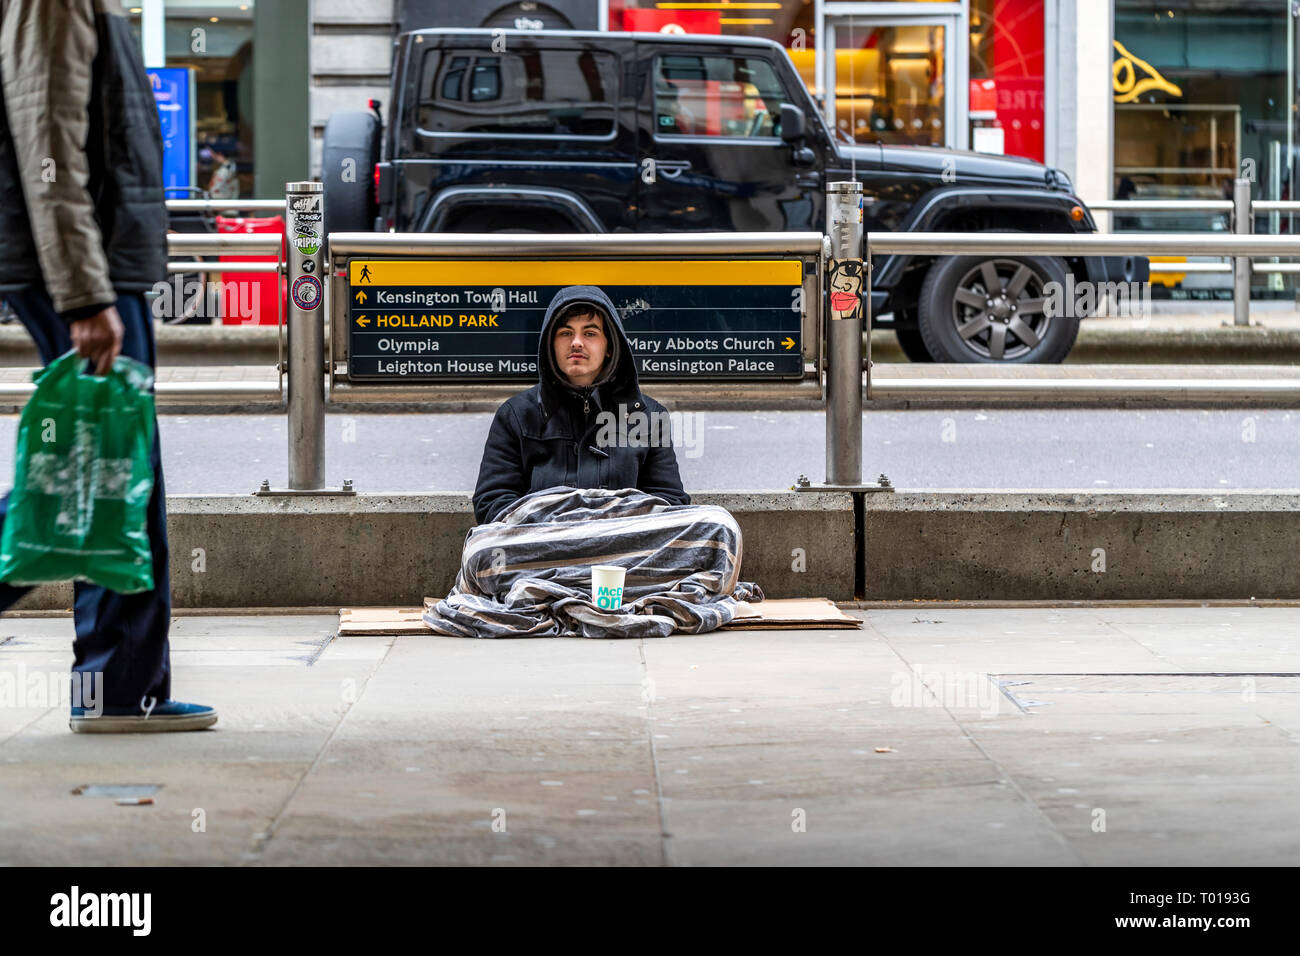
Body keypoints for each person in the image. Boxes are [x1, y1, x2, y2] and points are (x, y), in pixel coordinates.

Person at [0, 0, 216, 732]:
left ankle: (117, 687)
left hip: (90, 268)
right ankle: (119, 689)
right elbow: (47, 140)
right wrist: (85, 293)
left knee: (112, 472)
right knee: (119, 472)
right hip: (81, 274)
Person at [472, 285, 689, 525]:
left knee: (718, 521)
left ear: (609, 346)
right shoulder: (516, 415)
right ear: (550, 345)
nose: (576, 343)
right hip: (540, 552)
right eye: (565, 333)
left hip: (625, 553)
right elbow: (492, 504)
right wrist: (563, 526)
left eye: (590, 333)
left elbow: (671, 502)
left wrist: (608, 526)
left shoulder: (649, 416)